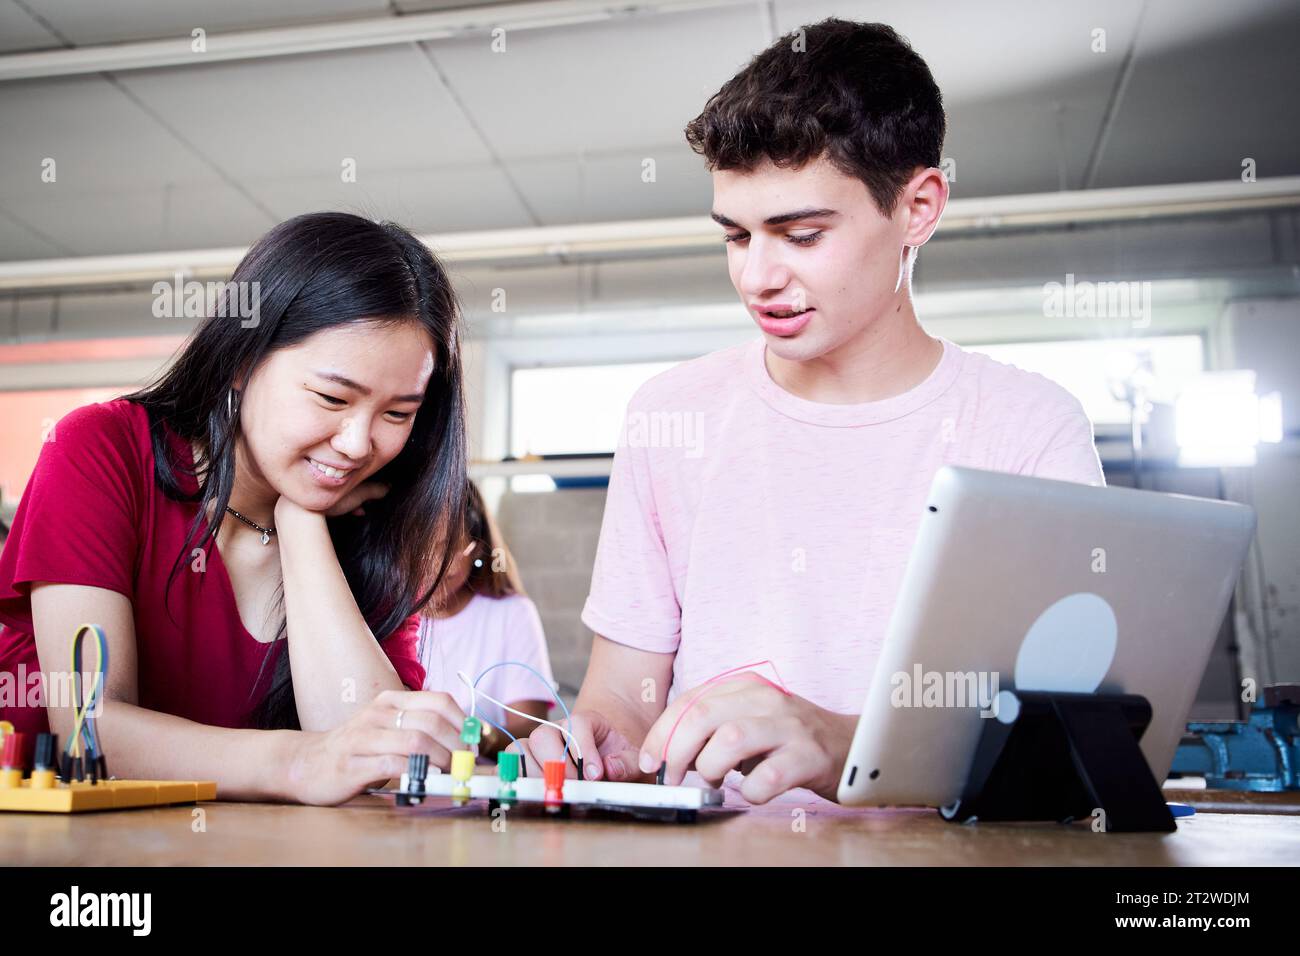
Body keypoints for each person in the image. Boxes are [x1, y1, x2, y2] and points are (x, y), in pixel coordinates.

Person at [523, 19, 1104, 807]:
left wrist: (841, 745)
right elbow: (625, 693)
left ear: (918, 208)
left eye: (800, 235)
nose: (757, 278)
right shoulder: (669, 416)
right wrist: (606, 743)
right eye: (736, 237)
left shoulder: (1029, 428)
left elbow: (1070, 740)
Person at [0, 212, 471, 806]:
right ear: (242, 362)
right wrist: (299, 763)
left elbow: (371, 755)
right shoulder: (101, 448)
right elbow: (90, 729)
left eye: (397, 413)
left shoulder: (374, 519)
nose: (358, 444)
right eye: (332, 398)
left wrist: (300, 521)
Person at [418, 480, 555, 757]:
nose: (433, 565)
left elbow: (530, 730)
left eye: (447, 549)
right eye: (418, 548)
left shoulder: (510, 614)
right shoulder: (385, 615)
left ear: (477, 548)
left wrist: (479, 734)